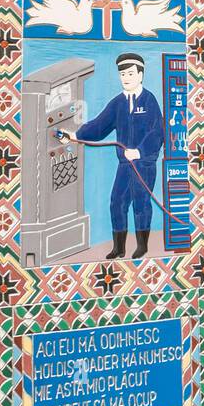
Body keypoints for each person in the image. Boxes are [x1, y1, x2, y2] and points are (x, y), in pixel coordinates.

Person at [61, 53, 162, 259]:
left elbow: (157, 132)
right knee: (117, 201)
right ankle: (119, 247)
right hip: (125, 164)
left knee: (141, 203)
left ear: (140, 75)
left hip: (144, 164)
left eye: (131, 73)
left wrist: (140, 151)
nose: (126, 78)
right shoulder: (118, 103)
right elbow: (99, 125)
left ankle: (142, 245)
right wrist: (75, 136)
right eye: (123, 74)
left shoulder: (149, 100)